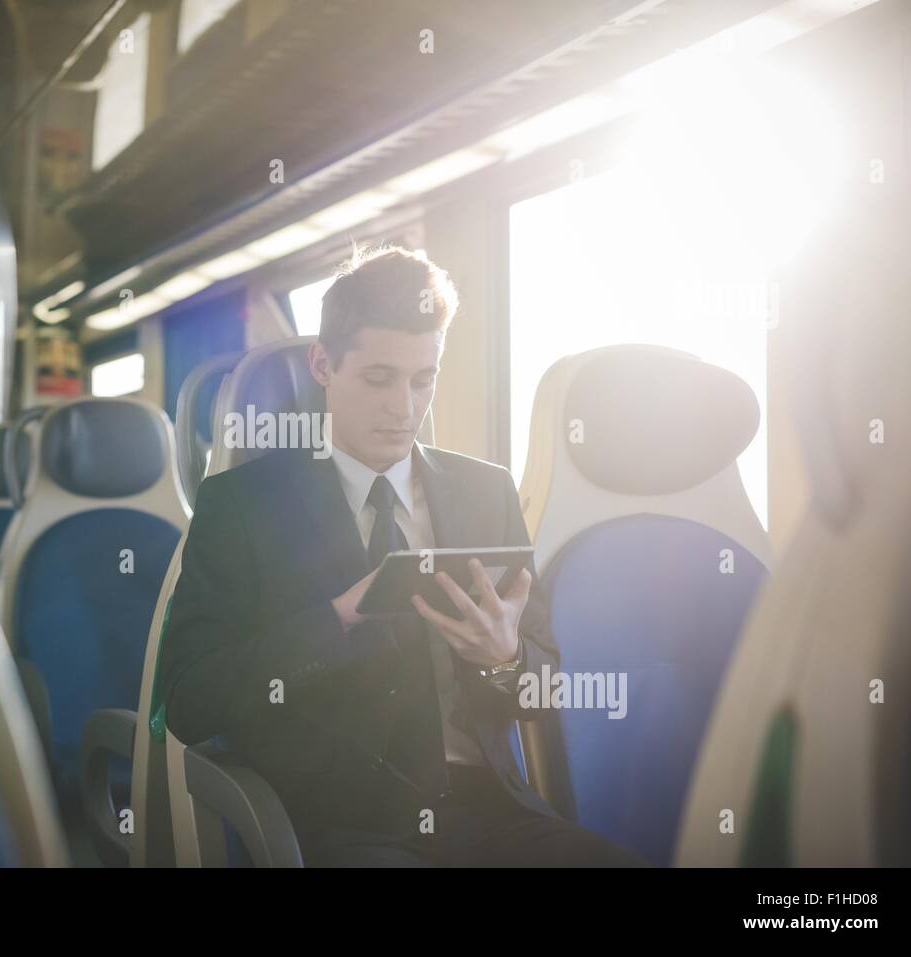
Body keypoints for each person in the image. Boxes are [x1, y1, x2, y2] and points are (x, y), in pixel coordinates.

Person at [160, 245, 643, 867]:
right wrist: (336, 618)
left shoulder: (484, 492)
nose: (405, 407)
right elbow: (190, 702)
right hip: (337, 822)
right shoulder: (241, 506)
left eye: (424, 380)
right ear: (323, 365)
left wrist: (503, 659)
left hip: (487, 810)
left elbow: (540, 691)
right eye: (379, 378)